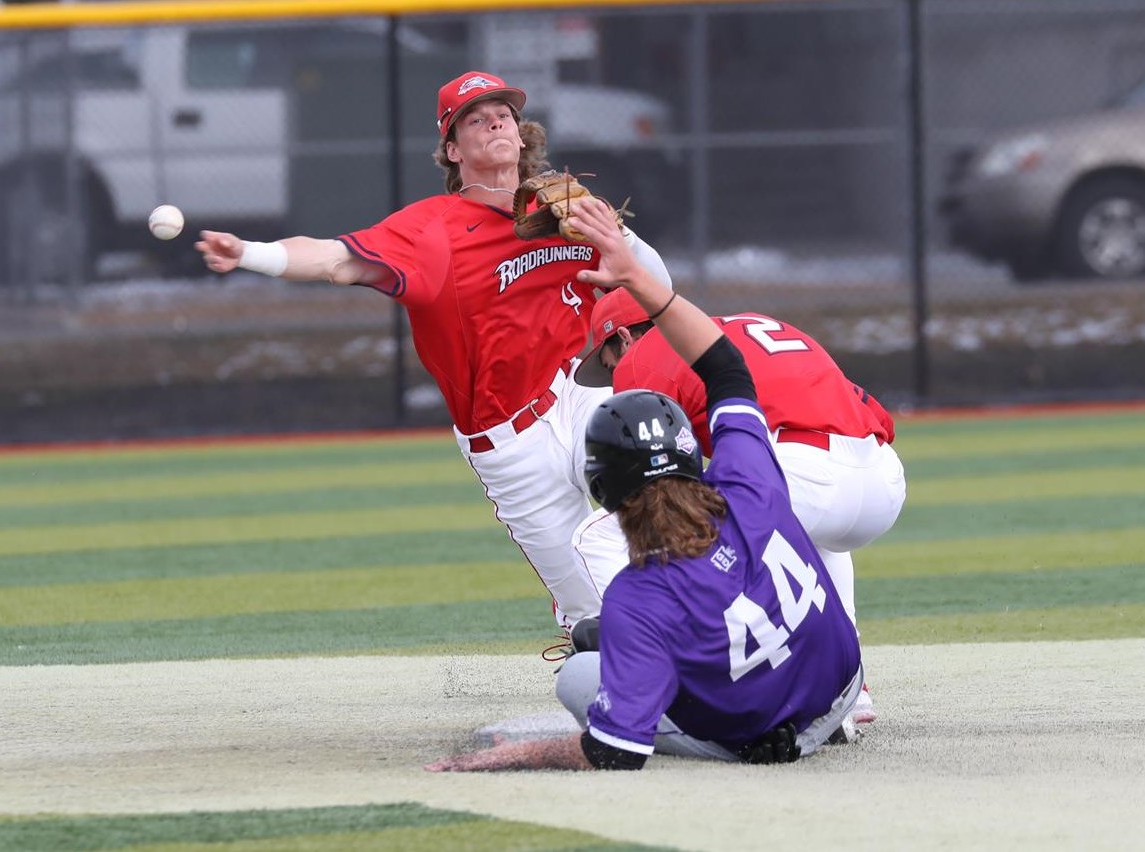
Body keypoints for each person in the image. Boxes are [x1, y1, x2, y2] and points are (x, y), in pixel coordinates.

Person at [195, 72, 672, 632]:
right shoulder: (431, 232)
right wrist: (250, 252)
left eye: (504, 114)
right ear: (452, 148)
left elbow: (659, 290)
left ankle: (724, 626)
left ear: (522, 136)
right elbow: (333, 260)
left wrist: (619, 240)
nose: (495, 121)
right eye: (475, 117)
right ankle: (606, 646)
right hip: (508, 443)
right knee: (596, 617)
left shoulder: (568, 212)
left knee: (659, 491)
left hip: (579, 395)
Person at [426, 195, 864, 772]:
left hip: (757, 731)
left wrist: (519, 755)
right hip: (841, 690)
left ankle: (741, 736)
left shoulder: (638, 594)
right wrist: (640, 277)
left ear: (604, 491)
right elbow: (726, 367)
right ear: (691, 449)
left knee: (585, 667)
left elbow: (615, 752)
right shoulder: (748, 477)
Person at [564, 289, 907, 722]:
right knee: (807, 531)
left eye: (608, 359)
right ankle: (848, 693)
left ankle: (663, 678)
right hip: (882, 478)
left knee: (595, 535)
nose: (612, 371)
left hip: (806, 472)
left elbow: (647, 471)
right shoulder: (743, 326)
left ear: (625, 338)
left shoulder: (645, 352)